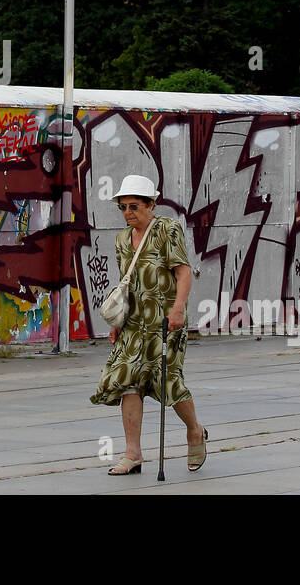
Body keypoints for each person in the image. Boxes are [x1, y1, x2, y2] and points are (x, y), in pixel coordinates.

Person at [90, 173, 208, 475]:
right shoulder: (121, 240)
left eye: (134, 207)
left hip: (165, 322)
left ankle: (194, 430)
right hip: (133, 323)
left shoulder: (167, 229)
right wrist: (117, 321)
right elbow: (126, 283)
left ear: (151, 204)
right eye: (123, 207)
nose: (128, 213)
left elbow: (183, 273)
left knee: (168, 382)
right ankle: (133, 453)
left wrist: (178, 310)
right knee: (128, 382)